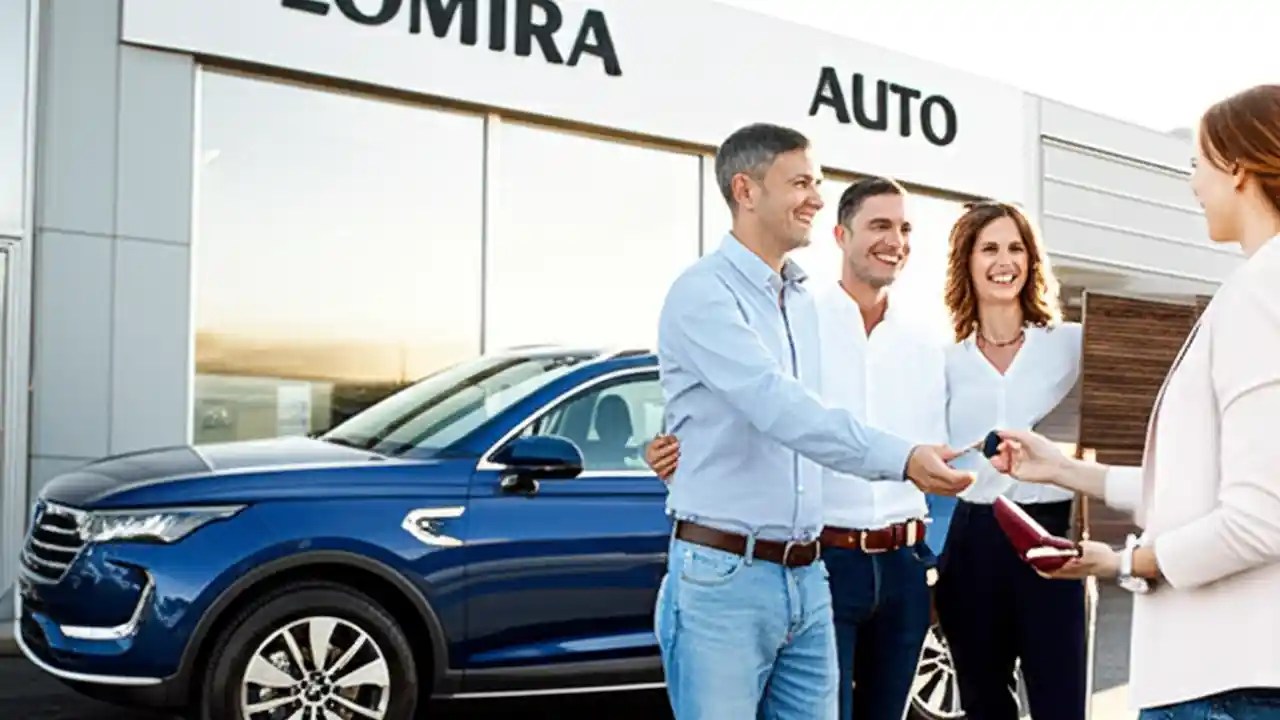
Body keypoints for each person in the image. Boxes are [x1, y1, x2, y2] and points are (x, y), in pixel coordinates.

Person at [652, 123, 972, 720]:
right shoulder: (703, 294)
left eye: (818, 183)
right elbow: (779, 405)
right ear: (746, 190)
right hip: (725, 578)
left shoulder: (798, 299)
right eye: (801, 183)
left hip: (806, 576)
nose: (818, 198)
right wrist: (902, 459)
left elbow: (810, 413)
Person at [989, 84, 1280, 719]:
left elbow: (1262, 518)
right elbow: (1200, 486)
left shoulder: (1261, 293)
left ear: (1238, 167)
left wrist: (1125, 561)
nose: (1193, 184)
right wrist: (1065, 469)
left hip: (1224, 685)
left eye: (1197, 164)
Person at [933, 199, 1087, 720]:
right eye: (990, 248)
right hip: (975, 537)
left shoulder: (1071, 345)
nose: (1005, 261)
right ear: (967, 262)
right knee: (982, 700)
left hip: (1052, 531)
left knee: (1060, 699)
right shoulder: (946, 363)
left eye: (1016, 248)